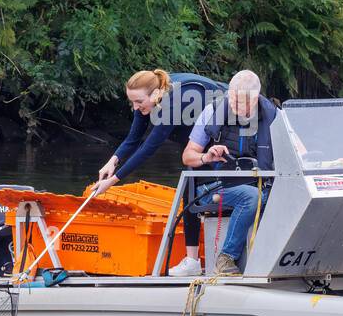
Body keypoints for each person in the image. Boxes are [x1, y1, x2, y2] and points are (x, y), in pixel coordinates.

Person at [93, 69, 226, 275]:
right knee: (189, 186)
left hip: (224, 125)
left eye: (138, 102)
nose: (135, 108)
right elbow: (133, 139)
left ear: (155, 95)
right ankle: (192, 262)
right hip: (193, 131)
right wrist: (112, 162)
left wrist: (111, 183)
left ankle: (215, 254)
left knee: (195, 180)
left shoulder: (172, 104)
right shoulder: (148, 98)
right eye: (132, 103)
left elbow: (148, 149)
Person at [180, 70, 278, 277]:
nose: (233, 105)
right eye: (231, 98)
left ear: (255, 99)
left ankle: (275, 259)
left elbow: (299, 154)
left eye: (240, 102)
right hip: (215, 187)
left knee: (281, 193)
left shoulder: (275, 117)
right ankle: (226, 259)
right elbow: (188, 156)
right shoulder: (211, 112)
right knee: (250, 196)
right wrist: (206, 156)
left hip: (259, 186)